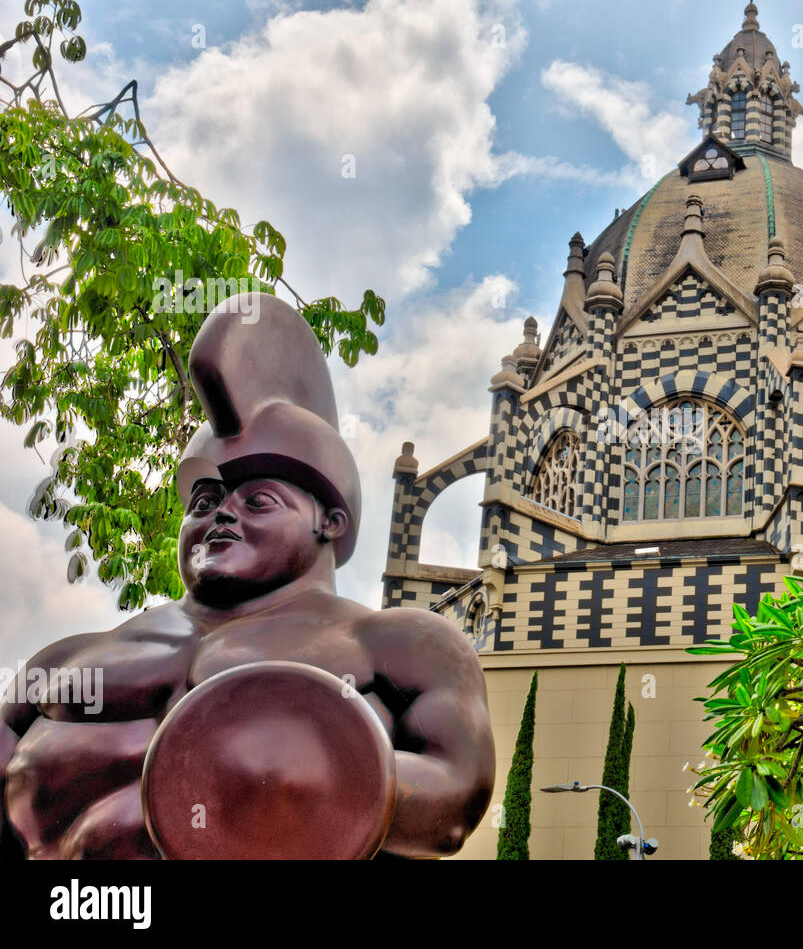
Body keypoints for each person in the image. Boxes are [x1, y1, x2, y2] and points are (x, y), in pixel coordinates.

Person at [0, 293, 494, 859]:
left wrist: (299, 775)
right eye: (205, 500)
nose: (222, 514)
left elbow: (455, 797)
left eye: (258, 500)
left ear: (329, 521)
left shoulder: (402, 643)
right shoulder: (63, 661)